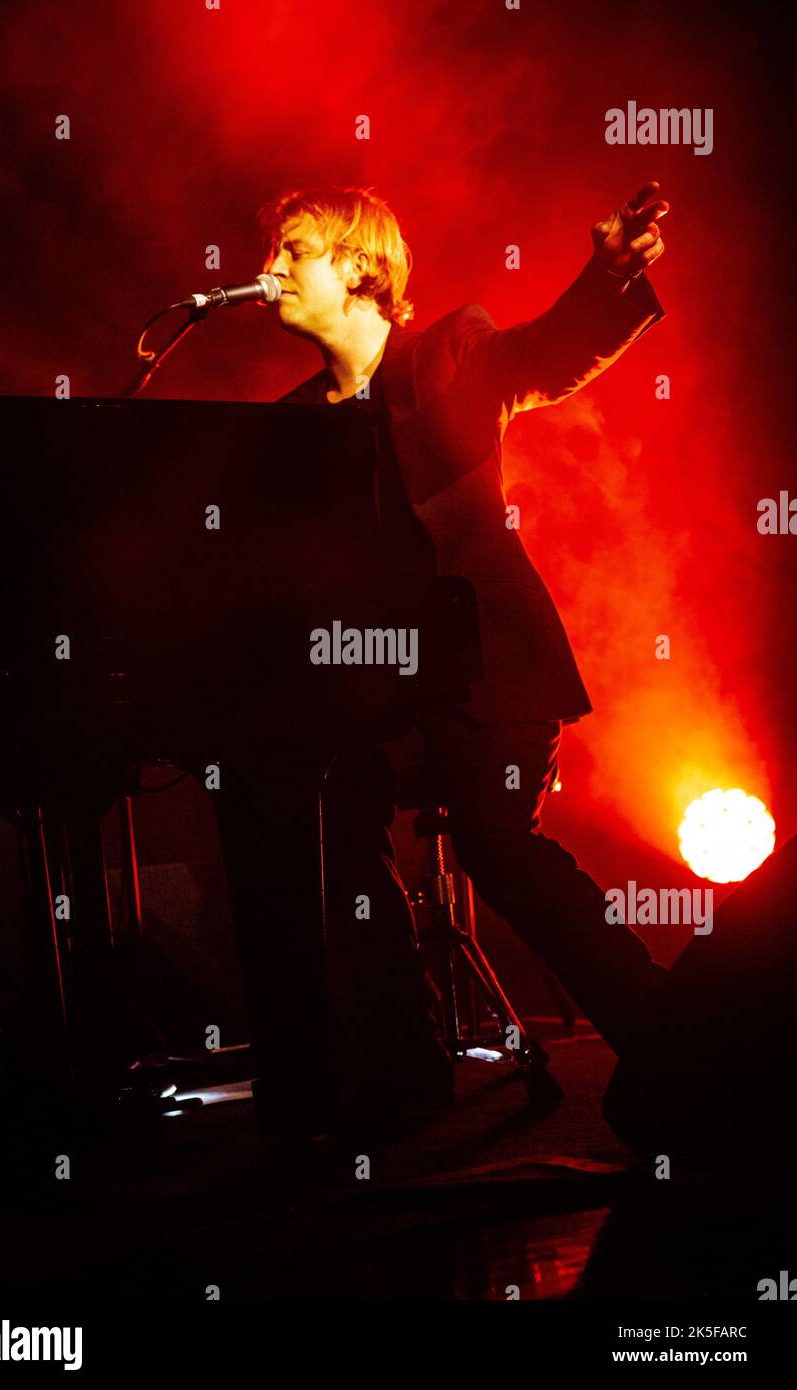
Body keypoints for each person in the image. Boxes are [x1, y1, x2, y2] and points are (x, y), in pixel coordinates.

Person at [237, 181, 674, 1125]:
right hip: (377, 695)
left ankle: (676, 1040)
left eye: (293, 251)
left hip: (489, 674)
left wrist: (609, 274)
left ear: (359, 269)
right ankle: (399, 1069)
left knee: (498, 849)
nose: (268, 270)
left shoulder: (447, 356)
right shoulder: (290, 428)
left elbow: (550, 357)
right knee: (316, 810)